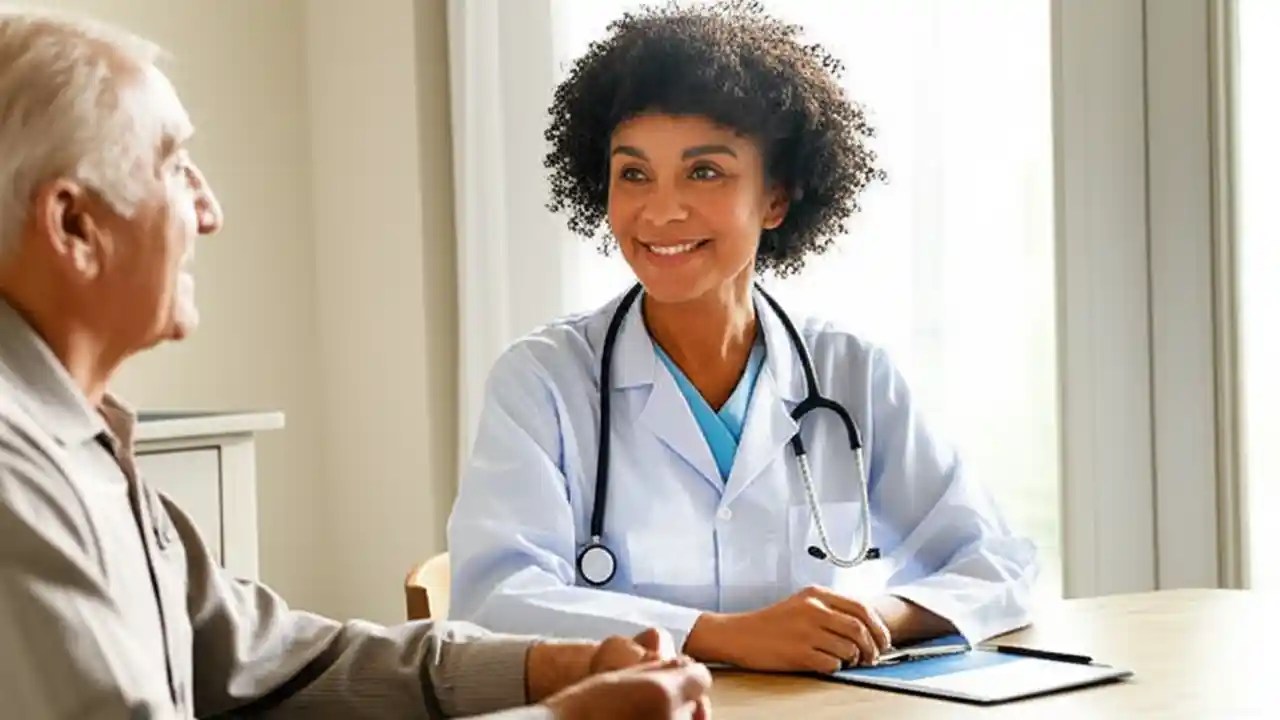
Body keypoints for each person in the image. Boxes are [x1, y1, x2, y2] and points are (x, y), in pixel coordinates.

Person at [0, 9, 712, 719]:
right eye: (174, 166)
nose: (209, 211)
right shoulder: (16, 477)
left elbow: (281, 662)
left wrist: (553, 670)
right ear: (73, 225)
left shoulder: (85, 448)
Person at [448, 0, 1038, 674]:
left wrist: (865, 622)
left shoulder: (850, 373)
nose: (661, 210)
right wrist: (721, 635)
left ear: (775, 199)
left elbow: (997, 563)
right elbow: (494, 600)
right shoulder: (543, 379)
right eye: (634, 173)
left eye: (704, 172)